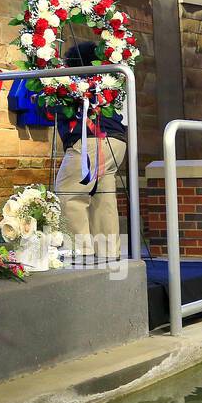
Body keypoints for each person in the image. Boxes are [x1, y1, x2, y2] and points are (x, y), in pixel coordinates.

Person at [52, 42, 128, 260]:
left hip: (90, 143)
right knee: (103, 198)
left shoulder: (73, 85)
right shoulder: (107, 82)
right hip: (116, 141)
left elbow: (49, 107)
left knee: (70, 194)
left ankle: (78, 252)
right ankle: (108, 253)